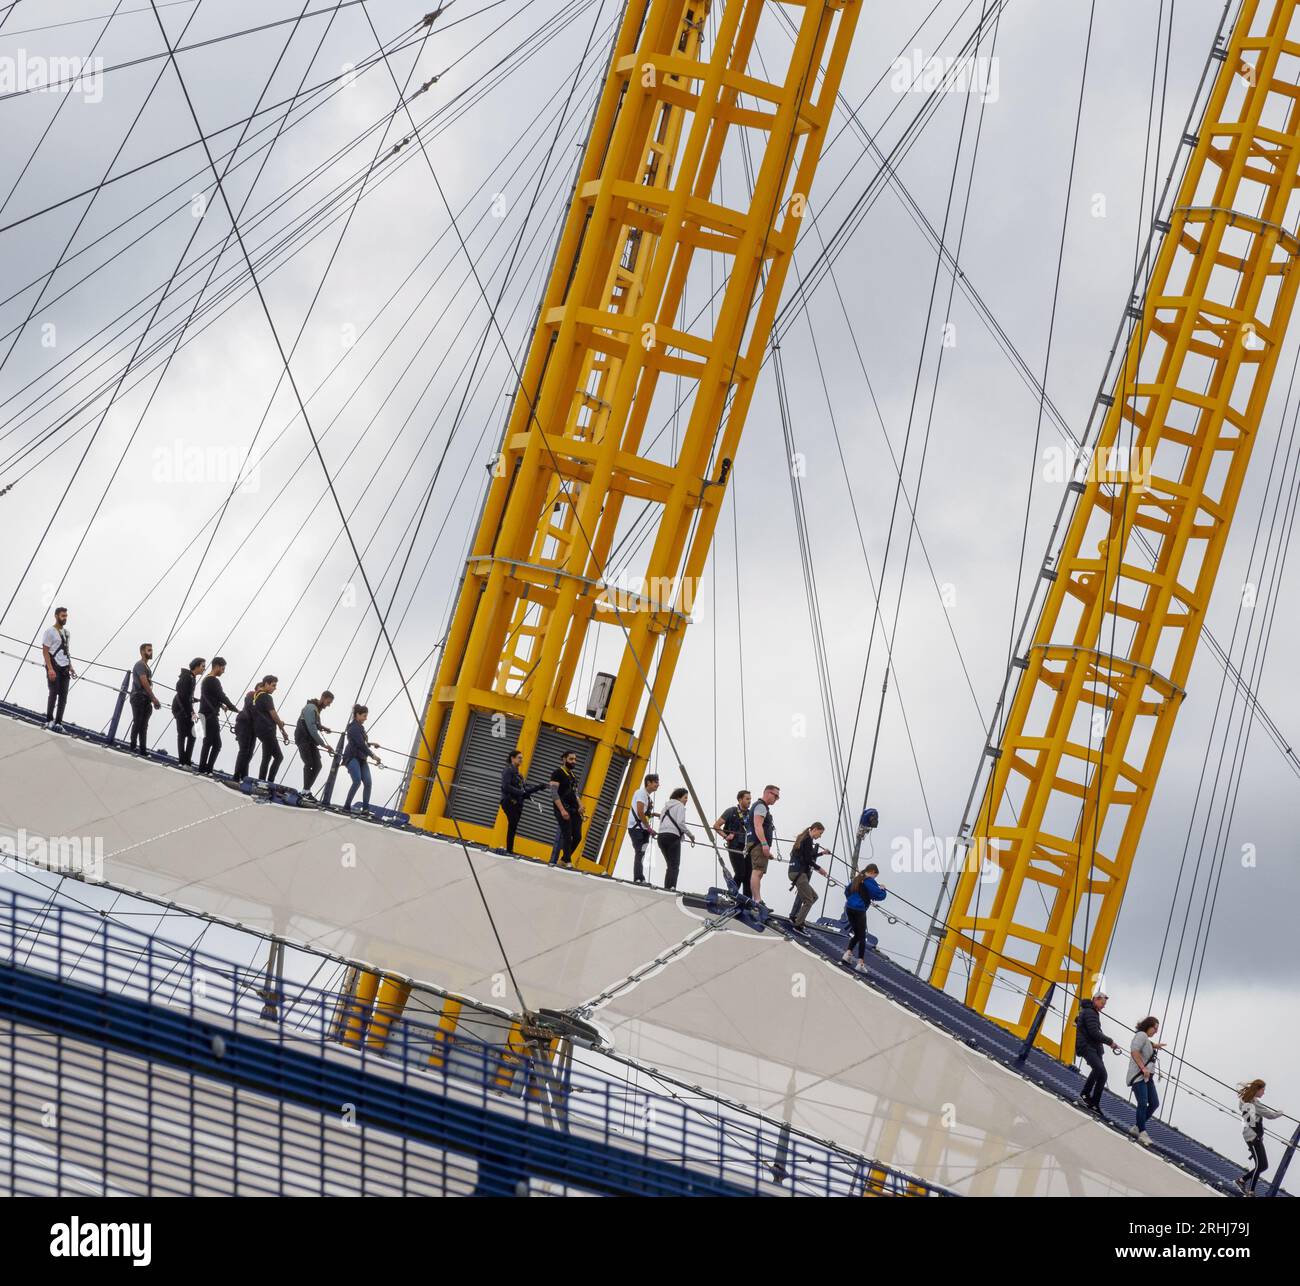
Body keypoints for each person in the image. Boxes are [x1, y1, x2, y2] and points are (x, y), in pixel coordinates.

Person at [1074, 992, 1122, 1115]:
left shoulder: (1090, 1012)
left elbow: (1092, 1031)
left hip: (1092, 1047)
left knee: (1103, 1075)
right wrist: (1110, 1042)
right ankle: (1084, 1095)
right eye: (1102, 1003)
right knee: (1098, 1069)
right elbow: (1094, 1032)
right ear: (1095, 999)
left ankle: (1094, 1103)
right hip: (1087, 1046)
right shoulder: (1090, 1012)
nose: (1103, 1006)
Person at [1235, 1079, 1284, 1196]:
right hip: (1253, 1136)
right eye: (1263, 1090)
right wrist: (1280, 1112)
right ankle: (1250, 1191)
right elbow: (1270, 1115)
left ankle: (1241, 1181)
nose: (1264, 1093)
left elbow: (1248, 1113)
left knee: (1263, 1165)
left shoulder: (1245, 1100)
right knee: (1260, 1165)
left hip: (1252, 1135)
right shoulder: (1253, 1102)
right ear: (1258, 1089)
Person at [840, 863, 887, 971]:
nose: (875, 878)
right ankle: (860, 963)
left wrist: (852, 899)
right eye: (875, 876)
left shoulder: (857, 878)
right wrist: (883, 889)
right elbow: (879, 895)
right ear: (872, 872)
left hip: (849, 908)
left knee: (857, 933)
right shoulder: (869, 881)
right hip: (859, 910)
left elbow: (847, 891)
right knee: (862, 936)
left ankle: (847, 954)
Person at [1127, 1016, 1165, 1145]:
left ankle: (1137, 1127)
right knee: (1143, 1102)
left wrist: (1155, 1046)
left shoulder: (1145, 1039)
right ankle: (1142, 1132)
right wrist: (1143, 1068)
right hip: (1140, 1076)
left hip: (1147, 1078)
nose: (1156, 1031)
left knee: (1154, 1103)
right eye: (1155, 1028)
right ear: (1148, 1026)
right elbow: (1134, 1051)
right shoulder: (1141, 1035)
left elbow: (1146, 1045)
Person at [787, 822, 829, 933]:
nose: (820, 836)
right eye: (820, 833)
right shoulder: (807, 840)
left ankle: (798, 918)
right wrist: (819, 869)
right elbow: (808, 860)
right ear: (814, 829)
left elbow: (807, 855)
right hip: (799, 874)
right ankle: (798, 924)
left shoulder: (804, 839)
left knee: (814, 896)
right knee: (809, 900)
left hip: (795, 872)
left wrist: (821, 853)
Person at [198, 656, 237, 773]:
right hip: (210, 715)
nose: (223, 671)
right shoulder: (213, 680)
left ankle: (205, 768)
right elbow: (221, 696)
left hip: (204, 713)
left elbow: (210, 696)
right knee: (213, 743)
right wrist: (234, 709)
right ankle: (205, 769)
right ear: (217, 666)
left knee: (211, 742)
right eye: (223, 668)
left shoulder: (206, 680)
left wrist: (221, 705)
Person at [499, 750, 543, 853]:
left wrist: (538, 787)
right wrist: (521, 793)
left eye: (522, 758)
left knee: (513, 826)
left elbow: (524, 789)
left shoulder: (519, 774)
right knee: (513, 824)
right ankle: (509, 850)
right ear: (512, 758)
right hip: (509, 801)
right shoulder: (508, 770)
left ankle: (510, 850)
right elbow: (506, 786)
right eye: (519, 757)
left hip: (518, 803)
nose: (521, 760)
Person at [294, 690, 335, 797]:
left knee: (318, 765)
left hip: (310, 740)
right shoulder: (311, 708)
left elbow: (314, 724)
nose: (329, 705)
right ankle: (305, 792)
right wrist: (324, 745)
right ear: (323, 698)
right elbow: (312, 728)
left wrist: (322, 727)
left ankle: (305, 791)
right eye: (328, 702)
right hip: (303, 738)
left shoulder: (317, 709)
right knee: (309, 763)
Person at [342, 704, 382, 812]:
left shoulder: (360, 728)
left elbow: (362, 743)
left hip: (362, 758)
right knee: (357, 781)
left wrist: (371, 744)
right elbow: (360, 744)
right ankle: (346, 806)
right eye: (364, 716)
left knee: (368, 783)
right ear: (357, 715)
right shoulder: (353, 727)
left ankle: (365, 809)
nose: (366, 718)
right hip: (352, 757)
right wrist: (373, 756)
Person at [547, 750, 583, 868]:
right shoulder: (557, 773)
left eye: (575, 759)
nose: (574, 761)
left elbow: (575, 793)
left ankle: (563, 859)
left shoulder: (572, 775)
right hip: (562, 809)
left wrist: (580, 805)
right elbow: (553, 793)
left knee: (577, 837)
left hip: (574, 810)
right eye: (571, 759)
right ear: (564, 759)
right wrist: (562, 810)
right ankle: (567, 860)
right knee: (567, 835)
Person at [746, 784, 780, 905]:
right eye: (775, 795)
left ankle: (757, 899)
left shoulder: (760, 806)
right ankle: (757, 900)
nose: (776, 799)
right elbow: (758, 825)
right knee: (757, 872)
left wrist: (767, 850)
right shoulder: (761, 806)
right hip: (758, 844)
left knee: (759, 872)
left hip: (757, 843)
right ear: (767, 793)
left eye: (778, 797)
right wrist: (764, 844)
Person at [713, 789, 751, 896]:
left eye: (750, 799)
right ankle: (731, 895)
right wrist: (726, 836)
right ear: (740, 799)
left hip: (747, 848)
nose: (749, 801)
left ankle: (748, 901)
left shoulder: (750, 814)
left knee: (748, 876)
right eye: (747, 799)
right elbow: (716, 826)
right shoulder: (731, 811)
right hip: (734, 846)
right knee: (740, 873)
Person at [41, 606, 74, 729]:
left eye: (66, 616)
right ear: (56, 616)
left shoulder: (67, 633)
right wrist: (50, 669)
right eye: (63, 616)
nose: (65, 618)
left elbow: (66, 651)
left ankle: (59, 723)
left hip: (65, 667)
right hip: (54, 666)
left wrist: (70, 666)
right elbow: (45, 651)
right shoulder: (50, 631)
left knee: (63, 697)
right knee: (53, 694)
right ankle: (49, 720)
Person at [656, 787, 695, 891]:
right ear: (679, 797)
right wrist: (691, 836)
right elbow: (680, 823)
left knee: (670, 865)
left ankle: (666, 888)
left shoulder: (665, 808)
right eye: (685, 797)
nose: (686, 800)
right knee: (674, 865)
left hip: (661, 836)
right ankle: (672, 887)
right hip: (672, 836)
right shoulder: (680, 806)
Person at [253, 674, 289, 783]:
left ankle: (262, 781)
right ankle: (268, 782)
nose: (275, 688)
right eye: (273, 685)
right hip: (268, 730)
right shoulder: (266, 696)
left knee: (267, 757)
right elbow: (273, 714)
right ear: (266, 684)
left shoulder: (257, 696)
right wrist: (283, 730)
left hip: (260, 730)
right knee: (279, 757)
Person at [127, 644, 161, 755]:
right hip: (139, 696)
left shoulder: (147, 668)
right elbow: (144, 682)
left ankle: (143, 749)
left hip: (146, 699)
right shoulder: (140, 665)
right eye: (149, 650)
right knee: (138, 721)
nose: (151, 652)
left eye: (151, 650)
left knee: (144, 725)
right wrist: (154, 698)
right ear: (142, 651)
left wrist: (151, 699)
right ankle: (132, 747)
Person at [172, 658, 206, 766]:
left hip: (185, 708)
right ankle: (183, 761)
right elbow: (183, 696)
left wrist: (196, 700)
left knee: (193, 734)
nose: (204, 668)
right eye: (202, 666)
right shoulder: (187, 677)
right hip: (181, 709)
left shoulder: (192, 677)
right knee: (183, 734)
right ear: (196, 666)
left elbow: (187, 696)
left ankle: (186, 759)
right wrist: (191, 713)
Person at [629, 772, 659, 883]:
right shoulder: (641, 793)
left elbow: (645, 812)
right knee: (639, 852)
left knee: (642, 853)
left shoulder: (647, 796)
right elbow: (640, 812)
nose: (658, 784)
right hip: (637, 828)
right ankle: (638, 877)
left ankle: (640, 877)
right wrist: (649, 828)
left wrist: (655, 814)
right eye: (656, 782)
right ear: (648, 783)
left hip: (643, 828)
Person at [232, 680, 264, 783]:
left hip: (253, 729)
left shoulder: (261, 700)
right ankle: (237, 776)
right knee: (244, 751)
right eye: (261, 687)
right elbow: (251, 708)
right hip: (244, 726)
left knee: (249, 753)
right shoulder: (251, 695)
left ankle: (244, 776)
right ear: (257, 688)